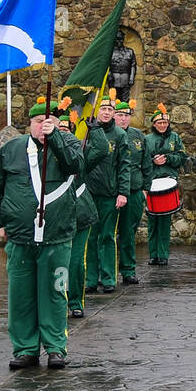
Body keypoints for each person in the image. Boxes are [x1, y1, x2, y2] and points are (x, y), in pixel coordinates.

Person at [0, 98, 82, 369]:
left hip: (57, 235)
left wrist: (58, 139)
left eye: (48, 122)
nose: (43, 126)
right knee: (21, 296)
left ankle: (55, 347)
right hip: (21, 237)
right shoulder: (11, 149)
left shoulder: (69, 144)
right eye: (39, 122)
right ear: (30, 124)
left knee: (54, 292)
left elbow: (75, 165)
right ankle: (25, 348)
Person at [83, 94, 130, 294]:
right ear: (97, 111)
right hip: (88, 192)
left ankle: (109, 277)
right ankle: (90, 279)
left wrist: (122, 192)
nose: (106, 112)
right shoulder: (86, 132)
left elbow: (124, 165)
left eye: (110, 110)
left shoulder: (119, 135)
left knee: (107, 236)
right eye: (103, 109)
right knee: (90, 237)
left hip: (110, 193)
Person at [59, 110, 98, 320]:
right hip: (56, 217)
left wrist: (97, 130)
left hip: (80, 213)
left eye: (66, 129)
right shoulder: (43, 153)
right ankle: (59, 301)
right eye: (59, 129)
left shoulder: (82, 150)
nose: (62, 132)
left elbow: (100, 150)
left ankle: (76, 302)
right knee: (58, 263)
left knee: (75, 262)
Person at [143, 102, 186, 266]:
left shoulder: (175, 138)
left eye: (165, 123)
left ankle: (163, 255)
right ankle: (153, 255)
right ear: (154, 124)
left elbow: (182, 157)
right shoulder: (147, 139)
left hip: (168, 181)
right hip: (152, 183)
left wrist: (168, 159)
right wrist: (154, 161)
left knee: (165, 221)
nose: (162, 125)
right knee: (152, 220)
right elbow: (142, 160)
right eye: (159, 123)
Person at [114, 99, 148, 284]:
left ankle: (128, 270)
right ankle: (108, 272)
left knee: (129, 232)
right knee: (107, 234)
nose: (124, 119)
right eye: (120, 115)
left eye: (127, 115)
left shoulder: (137, 136)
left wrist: (145, 188)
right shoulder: (106, 134)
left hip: (135, 191)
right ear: (113, 116)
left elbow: (146, 163)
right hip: (112, 192)